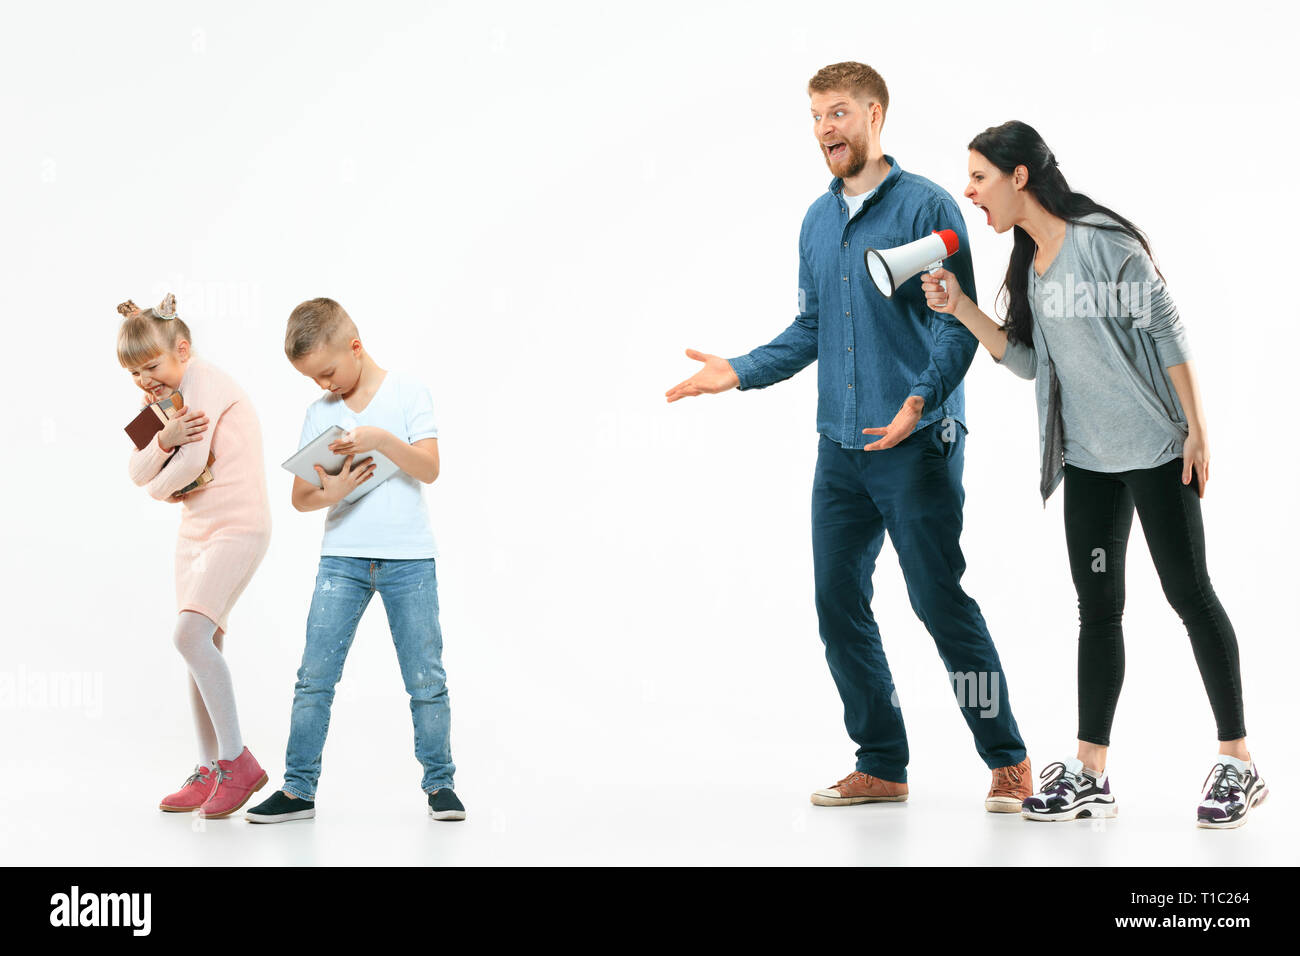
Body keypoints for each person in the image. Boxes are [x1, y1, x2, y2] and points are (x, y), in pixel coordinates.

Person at [665, 63, 1031, 812]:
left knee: (938, 601)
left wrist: (921, 401)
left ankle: (1008, 757)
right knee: (837, 602)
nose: (825, 129)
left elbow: (955, 323)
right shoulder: (816, 221)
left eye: (837, 113)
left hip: (917, 444)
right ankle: (883, 763)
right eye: (815, 117)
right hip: (840, 450)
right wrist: (737, 370)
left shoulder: (929, 209)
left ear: (874, 115)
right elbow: (811, 328)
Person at [921, 120, 1266, 828]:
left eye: (980, 177)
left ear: (1019, 178)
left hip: (1154, 450)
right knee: (1098, 610)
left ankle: (1239, 761)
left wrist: (1196, 427)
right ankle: (1091, 771)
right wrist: (960, 308)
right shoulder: (1030, 260)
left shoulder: (1102, 243)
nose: (970, 191)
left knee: (1189, 595)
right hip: (1088, 463)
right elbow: (1025, 364)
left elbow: (1168, 329)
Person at [245, 297, 464, 823]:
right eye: (313, 379)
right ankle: (298, 790)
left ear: (356, 347)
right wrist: (335, 490)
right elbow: (301, 496)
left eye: (328, 372)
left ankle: (441, 785)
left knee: (425, 679)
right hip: (341, 558)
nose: (324, 386)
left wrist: (382, 440)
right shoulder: (319, 413)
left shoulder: (409, 392)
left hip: (409, 558)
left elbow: (430, 468)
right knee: (314, 677)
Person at [120, 294, 272, 819]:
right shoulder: (154, 405)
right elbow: (136, 470)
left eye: (153, 365)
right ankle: (210, 768)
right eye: (135, 372)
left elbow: (186, 470)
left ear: (182, 349)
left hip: (238, 525)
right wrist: (162, 438)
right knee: (199, 645)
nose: (146, 380)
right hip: (195, 533)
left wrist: (159, 480)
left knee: (188, 635)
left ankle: (239, 763)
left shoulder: (204, 381)